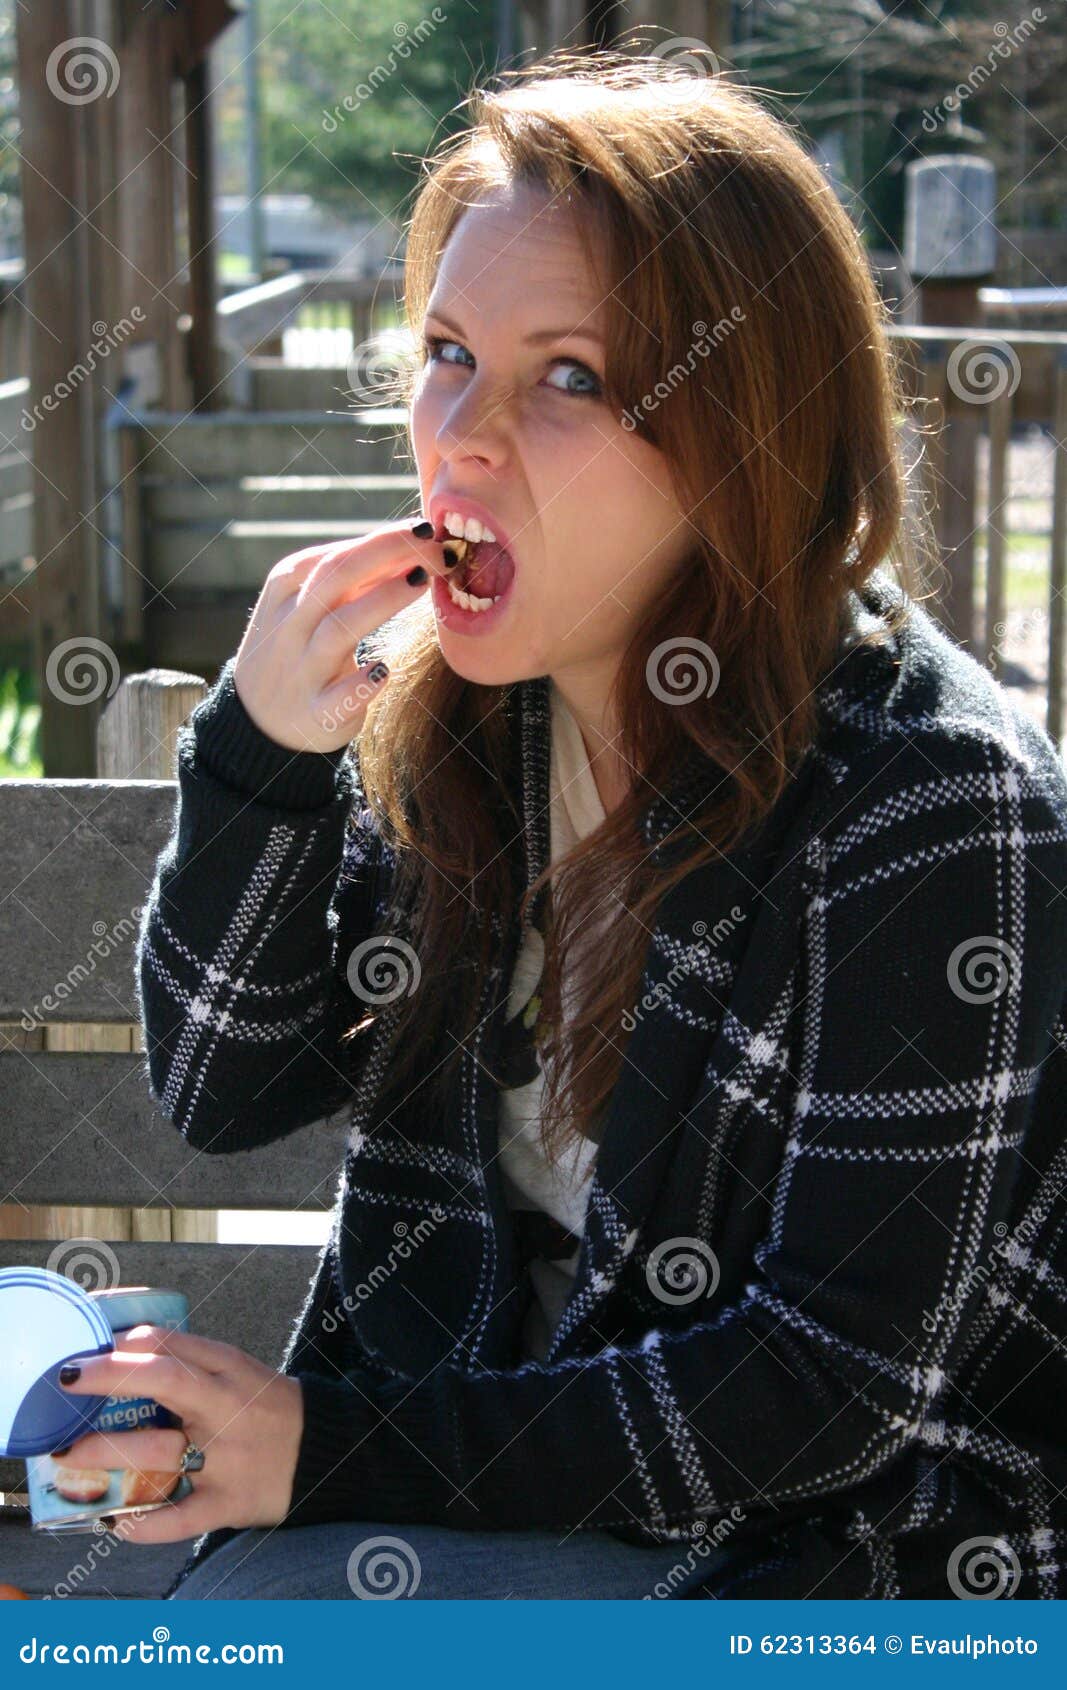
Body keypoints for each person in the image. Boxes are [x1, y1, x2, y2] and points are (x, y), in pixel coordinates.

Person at [53, 49, 1067, 1600]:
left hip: (834, 1572)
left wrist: (324, 1446)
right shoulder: (464, 720)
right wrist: (257, 756)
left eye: (569, 377)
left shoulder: (933, 805)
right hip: (474, 1523)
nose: (459, 433)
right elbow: (220, 1084)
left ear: (743, 433)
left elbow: (827, 1393)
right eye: (446, 352)